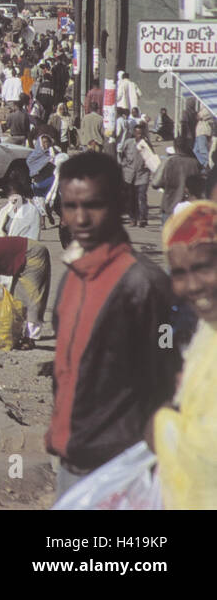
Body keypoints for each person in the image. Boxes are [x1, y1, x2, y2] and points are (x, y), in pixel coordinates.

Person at [46, 152, 181, 497]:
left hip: (120, 472)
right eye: (71, 206)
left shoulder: (144, 285)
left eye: (93, 205)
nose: (81, 219)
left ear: (119, 201)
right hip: (69, 464)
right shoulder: (70, 280)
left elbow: (168, 373)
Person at [152, 201, 217, 508]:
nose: (192, 285)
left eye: (204, 267)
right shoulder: (205, 335)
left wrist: (161, 423)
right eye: (180, 273)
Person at [154, 135, 201, 218]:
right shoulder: (195, 163)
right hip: (190, 207)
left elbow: (156, 183)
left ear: (175, 147)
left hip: (170, 204)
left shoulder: (169, 162)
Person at [120, 122, 155, 227]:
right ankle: (132, 218)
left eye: (141, 133)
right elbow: (122, 156)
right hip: (129, 175)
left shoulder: (146, 144)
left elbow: (152, 158)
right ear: (134, 133)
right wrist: (124, 166)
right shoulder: (128, 143)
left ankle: (143, 218)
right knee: (131, 198)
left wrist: (148, 165)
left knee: (141, 197)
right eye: (137, 133)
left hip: (142, 175)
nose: (139, 136)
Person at [0, 174, 43, 240]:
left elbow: (33, 236)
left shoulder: (32, 211)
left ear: (22, 195)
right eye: (11, 197)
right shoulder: (5, 210)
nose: (14, 200)